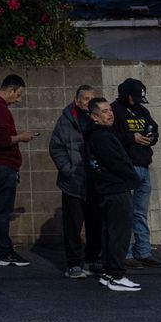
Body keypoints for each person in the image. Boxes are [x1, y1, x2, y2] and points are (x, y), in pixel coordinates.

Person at [83, 95, 142, 292]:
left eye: (110, 110)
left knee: (110, 233)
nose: (111, 115)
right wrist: (132, 177)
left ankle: (109, 273)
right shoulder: (101, 136)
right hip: (115, 190)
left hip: (109, 190)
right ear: (94, 117)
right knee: (119, 234)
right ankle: (116, 274)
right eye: (105, 112)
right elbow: (116, 162)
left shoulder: (98, 135)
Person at [0, 73, 34, 267]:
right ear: (11, 90)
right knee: (2, 210)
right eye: (18, 95)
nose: (18, 100)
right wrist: (22, 137)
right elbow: (3, 140)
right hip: (3, 164)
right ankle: (4, 251)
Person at [108, 77, 161, 270]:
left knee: (140, 213)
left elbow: (153, 128)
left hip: (143, 166)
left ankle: (143, 251)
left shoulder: (142, 110)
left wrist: (151, 137)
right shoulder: (114, 110)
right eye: (134, 98)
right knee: (125, 213)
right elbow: (110, 136)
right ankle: (127, 252)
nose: (137, 101)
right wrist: (132, 137)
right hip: (127, 167)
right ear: (126, 95)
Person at [48, 83, 99, 277]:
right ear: (76, 101)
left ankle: (93, 259)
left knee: (95, 224)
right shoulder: (65, 121)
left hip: (94, 181)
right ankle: (73, 263)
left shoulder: (97, 119)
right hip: (73, 182)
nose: (89, 103)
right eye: (86, 99)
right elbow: (55, 148)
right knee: (73, 226)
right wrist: (68, 169)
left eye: (91, 99)